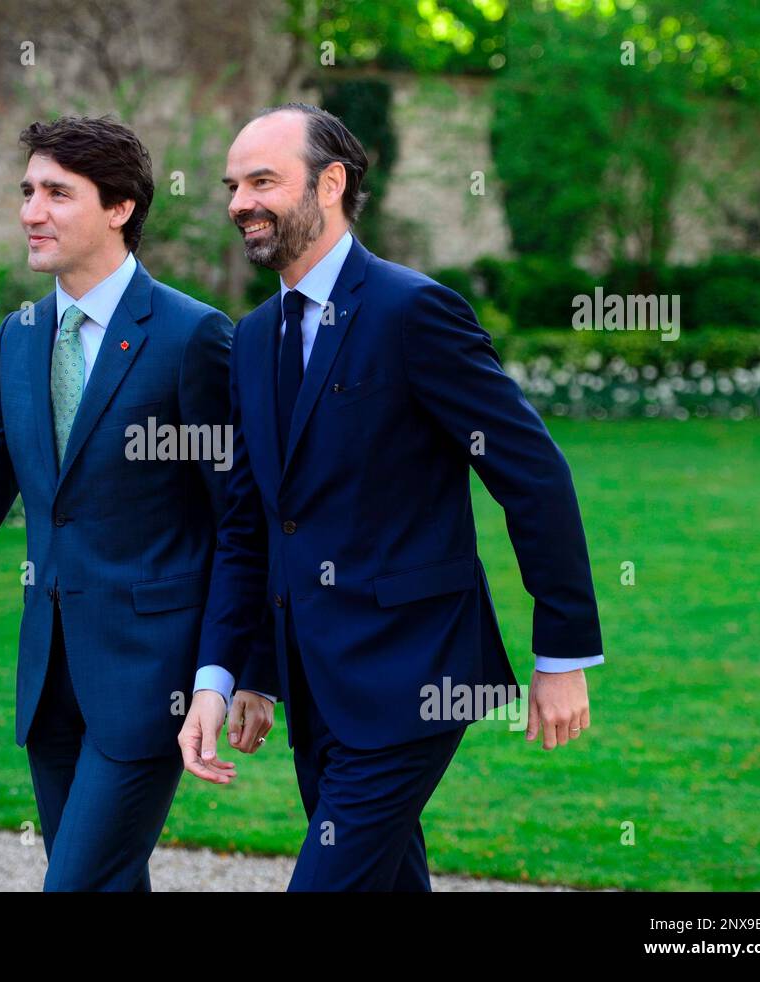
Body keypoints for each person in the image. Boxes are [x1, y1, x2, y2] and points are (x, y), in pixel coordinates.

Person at [0, 115, 276, 891]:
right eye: (28, 192)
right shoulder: (19, 337)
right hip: (49, 686)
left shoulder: (191, 337)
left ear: (119, 209)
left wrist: (250, 671)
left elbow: (244, 518)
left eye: (57, 194)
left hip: (155, 680)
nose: (31, 212)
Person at [179, 103, 605, 891]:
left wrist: (562, 653)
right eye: (232, 185)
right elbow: (253, 524)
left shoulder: (415, 312)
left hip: (418, 677)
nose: (239, 202)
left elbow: (531, 472)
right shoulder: (253, 338)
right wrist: (232, 674)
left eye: (262, 181)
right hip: (316, 686)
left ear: (330, 184)